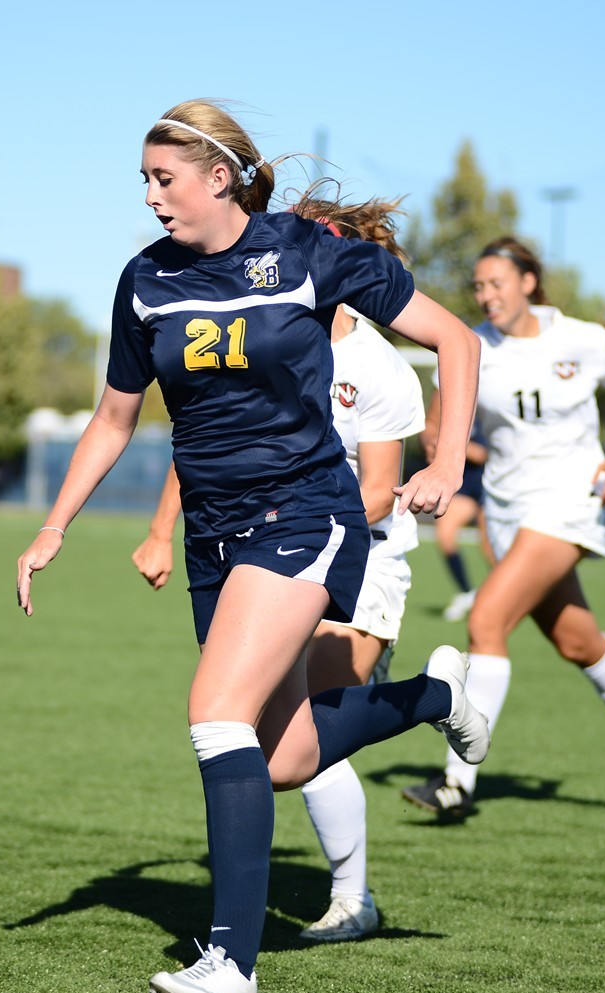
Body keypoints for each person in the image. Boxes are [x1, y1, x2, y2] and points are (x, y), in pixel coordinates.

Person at [17, 100, 486, 993]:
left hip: (307, 513)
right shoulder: (144, 283)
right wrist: (53, 527)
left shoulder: (307, 253)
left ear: (219, 176)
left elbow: (455, 341)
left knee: (214, 714)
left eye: (167, 179)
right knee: (279, 754)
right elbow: (115, 419)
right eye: (145, 181)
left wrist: (450, 457)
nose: (153, 199)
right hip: (215, 539)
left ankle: (231, 964)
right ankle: (436, 697)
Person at [130, 189, 428, 945]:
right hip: (264, 548)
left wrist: (287, 536)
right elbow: (211, 443)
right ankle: (436, 696)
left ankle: (346, 901)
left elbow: (376, 493)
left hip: (356, 550)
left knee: (291, 707)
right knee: (287, 750)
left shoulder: (380, 368)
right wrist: (164, 528)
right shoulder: (257, 324)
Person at [400, 236, 605, 820]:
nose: (486, 295)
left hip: (569, 503)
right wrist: (435, 441)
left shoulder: (583, 340)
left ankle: (456, 782)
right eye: (478, 286)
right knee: (576, 640)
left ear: (528, 282)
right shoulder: (473, 345)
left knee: (486, 620)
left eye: (497, 283)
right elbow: (438, 416)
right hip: (506, 511)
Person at [433, 413, 492, 622]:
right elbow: (431, 427)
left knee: (492, 551)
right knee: (445, 535)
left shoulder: (491, 404)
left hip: (492, 486)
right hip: (465, 487)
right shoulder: (455, 407)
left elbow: (482, 454)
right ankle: (467, 593)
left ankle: (504, 599)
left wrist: (451, 446)